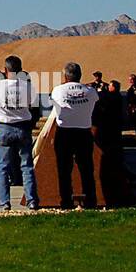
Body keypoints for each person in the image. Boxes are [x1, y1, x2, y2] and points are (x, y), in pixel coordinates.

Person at [0, 56, 40, 211]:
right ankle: (32, 200)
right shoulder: (27, 86)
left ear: (5, 70)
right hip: (23, 127)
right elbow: (33, 101)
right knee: (27, 166)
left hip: (4, 127)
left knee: (2, 168)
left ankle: (4, 203)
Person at [49, 62, 99, 210]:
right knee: (87, 169)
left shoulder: (58, 90)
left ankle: (66, 201)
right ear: (80, 75)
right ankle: (90, 200)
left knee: (64, 169)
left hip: (65, 131)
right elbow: (96, 99)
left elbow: (53, 102)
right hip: (84, 131)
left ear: (65, 76)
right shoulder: (90, 91)